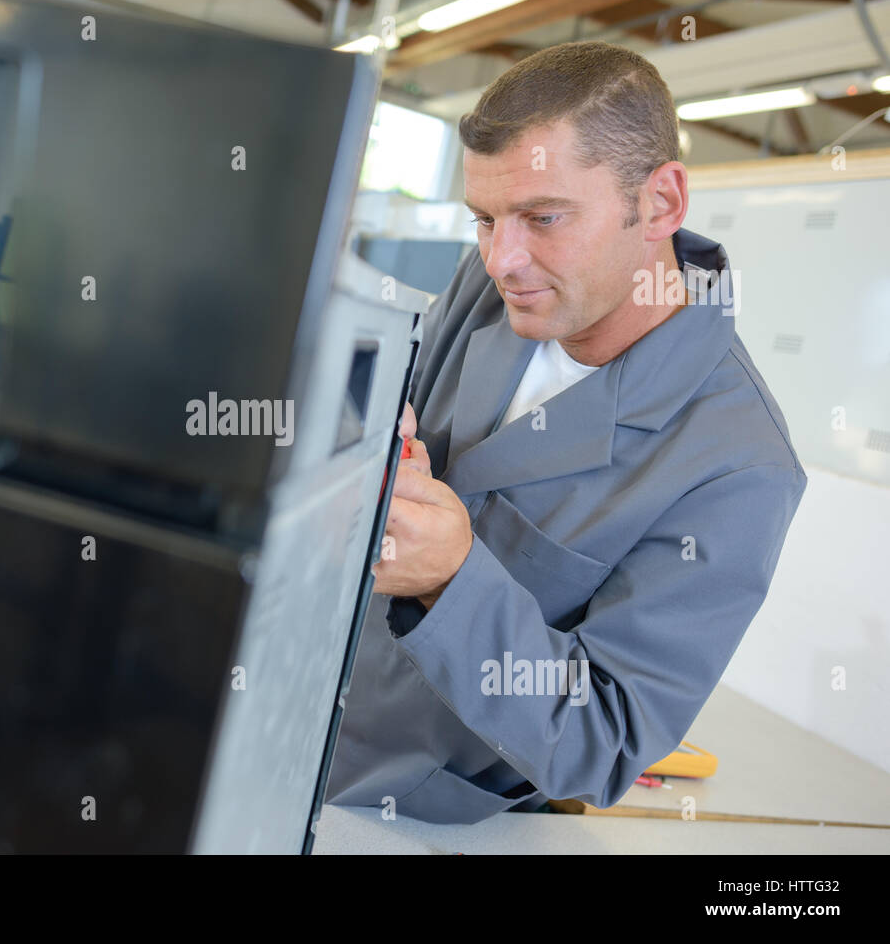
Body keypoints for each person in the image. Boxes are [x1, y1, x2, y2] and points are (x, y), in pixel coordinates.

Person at [324, 40, 807, 823]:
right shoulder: (494, 281)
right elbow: (399, 413)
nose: (502, 258)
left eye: (543, 217)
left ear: (661, 203)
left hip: (417, 816)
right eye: (484, 219)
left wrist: (451, 578)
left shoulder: (740, 466)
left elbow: (607, 742)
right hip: (301, 712)